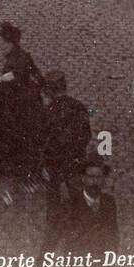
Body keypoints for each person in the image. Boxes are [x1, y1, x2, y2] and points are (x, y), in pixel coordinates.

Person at [0, 22, 44, 176]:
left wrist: (0, 79)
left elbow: (13, 77)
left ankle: (11, 164)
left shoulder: (16, 59)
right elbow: (36, 74)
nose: (0, 45)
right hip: (21, 99)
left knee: (10, 130)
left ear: (9, 43)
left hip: (14, 102)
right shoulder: (21, 54)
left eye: (2, 42)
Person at [37, 70, 92, 215]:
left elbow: (42, 141)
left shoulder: (47, 112)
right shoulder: (78, 106)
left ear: (49, 91)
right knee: (77, 195)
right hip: (75, 161)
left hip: (54, 164)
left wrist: (43, 164)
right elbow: (86, 135)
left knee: (54, 198)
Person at [61, 156, 119, 266]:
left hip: (102, 263)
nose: (95, 181)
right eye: (91, 177)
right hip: (78, 263)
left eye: (99, 177)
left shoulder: (109, 202)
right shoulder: (72, 202)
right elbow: (68, 234)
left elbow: (113, 232)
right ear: (83, 178)